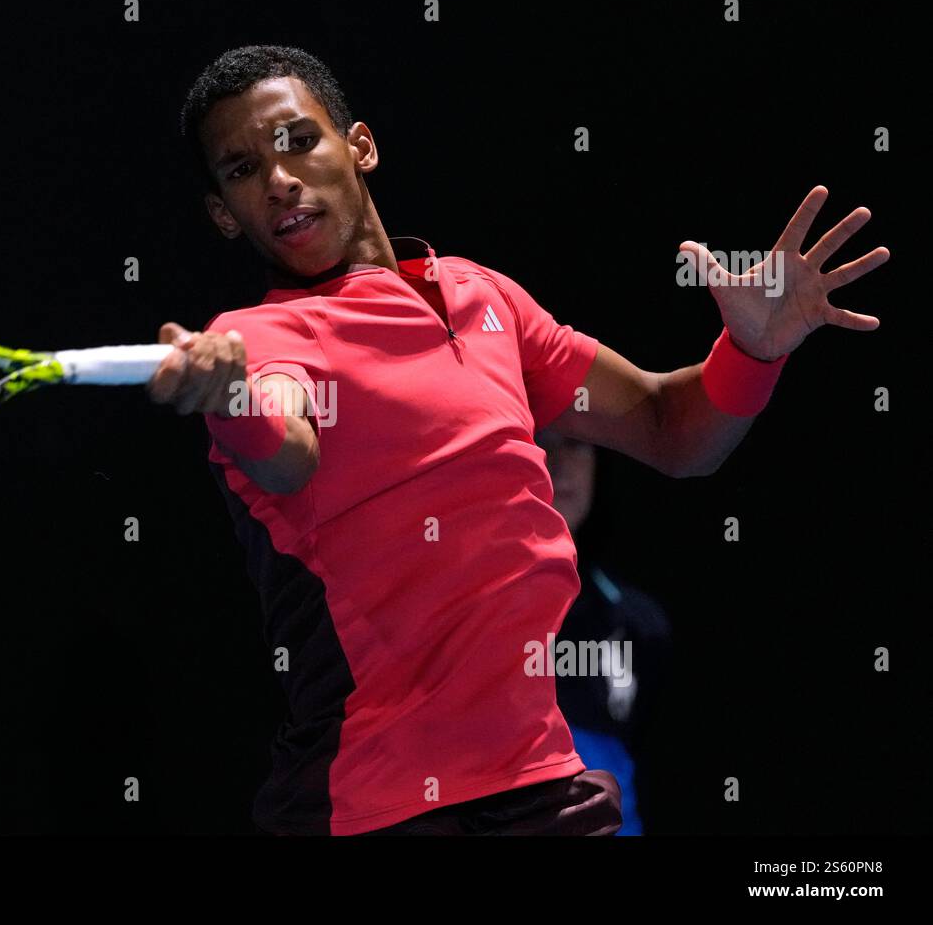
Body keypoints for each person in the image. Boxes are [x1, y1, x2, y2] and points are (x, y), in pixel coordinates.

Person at [146, 45, 889, 836]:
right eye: (241, 169)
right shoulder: (260, 337)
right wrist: (231, 398)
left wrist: (752, 352)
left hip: (539, 785)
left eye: (299, 140)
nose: (278, 179)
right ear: (225, 212)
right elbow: (285, 448)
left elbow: (674, 430)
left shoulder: (482, 295)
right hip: (381, 806)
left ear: (359, 144)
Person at [536, 428, 673, 835]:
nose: (559, 465)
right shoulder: (460, 613)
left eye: (576, 444)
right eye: (540, 441)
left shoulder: (640, 626)